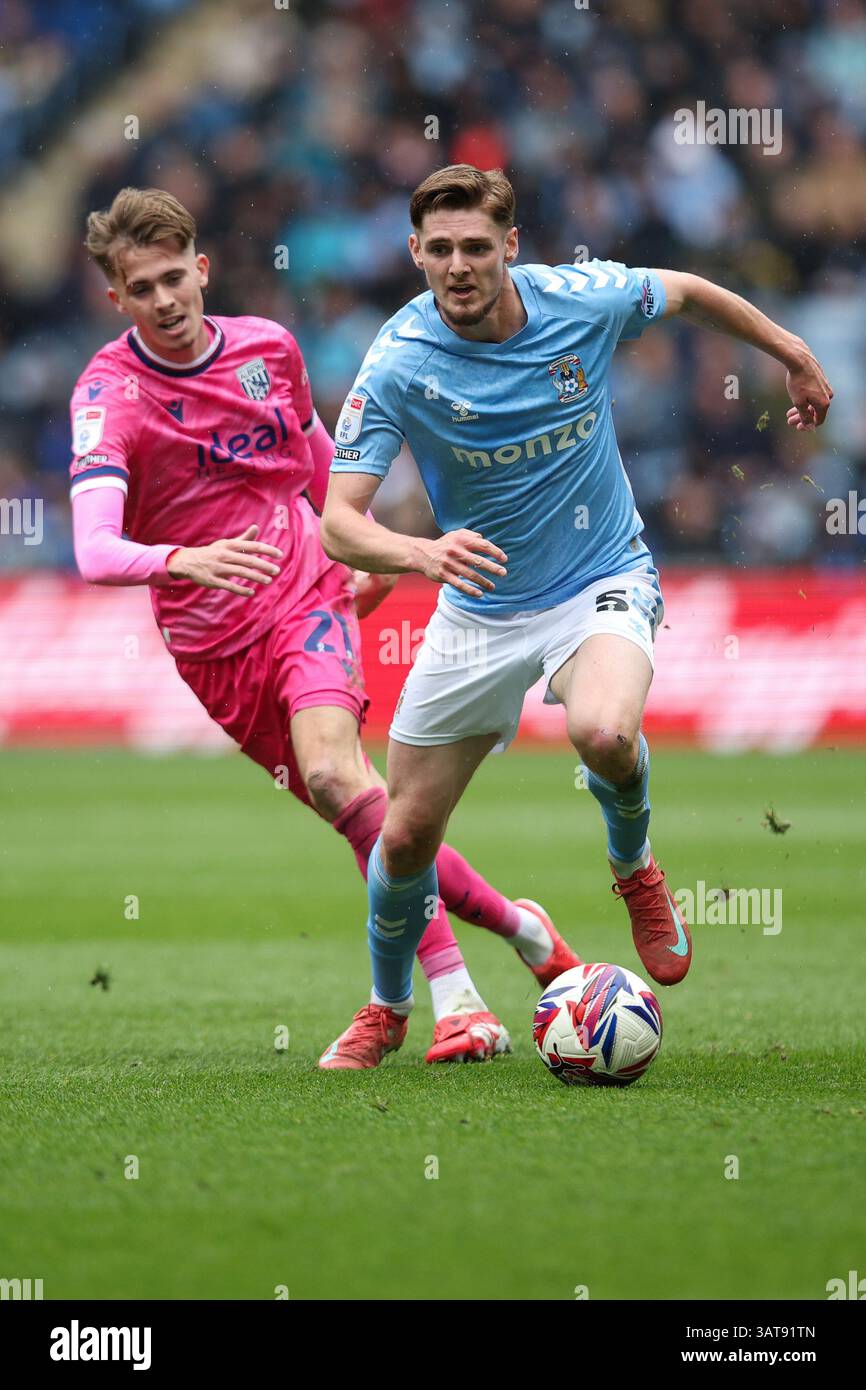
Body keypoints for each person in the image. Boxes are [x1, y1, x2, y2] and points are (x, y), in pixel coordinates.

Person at [320, 163, 834, 1066]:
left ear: (511, 246)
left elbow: (687, 292)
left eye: (477, 247)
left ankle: (634, 869)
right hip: (475, 602)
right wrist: (420, 555)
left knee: (602, 730)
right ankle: (386, 1008)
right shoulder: (399, 359)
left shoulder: (583, 300)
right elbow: (339, 523)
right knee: (402, 837)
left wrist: (790, 351)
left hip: (597, 577)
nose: (458, 266)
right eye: (438, 250)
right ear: (415, 254)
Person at [68, 186, 583, 1070]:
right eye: (140, 289)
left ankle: (453, 1005)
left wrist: (372, 558)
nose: (164, 302)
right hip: (210, 644)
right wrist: (179, 560)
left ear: (201, 269)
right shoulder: (108, 394)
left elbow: (320, 468)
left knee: (336, 772)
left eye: (172, 279)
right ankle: (524, 928)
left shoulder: (270, 349)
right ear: (117, 299)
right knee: (362, 814)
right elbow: (93, 550)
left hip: (306, 595)